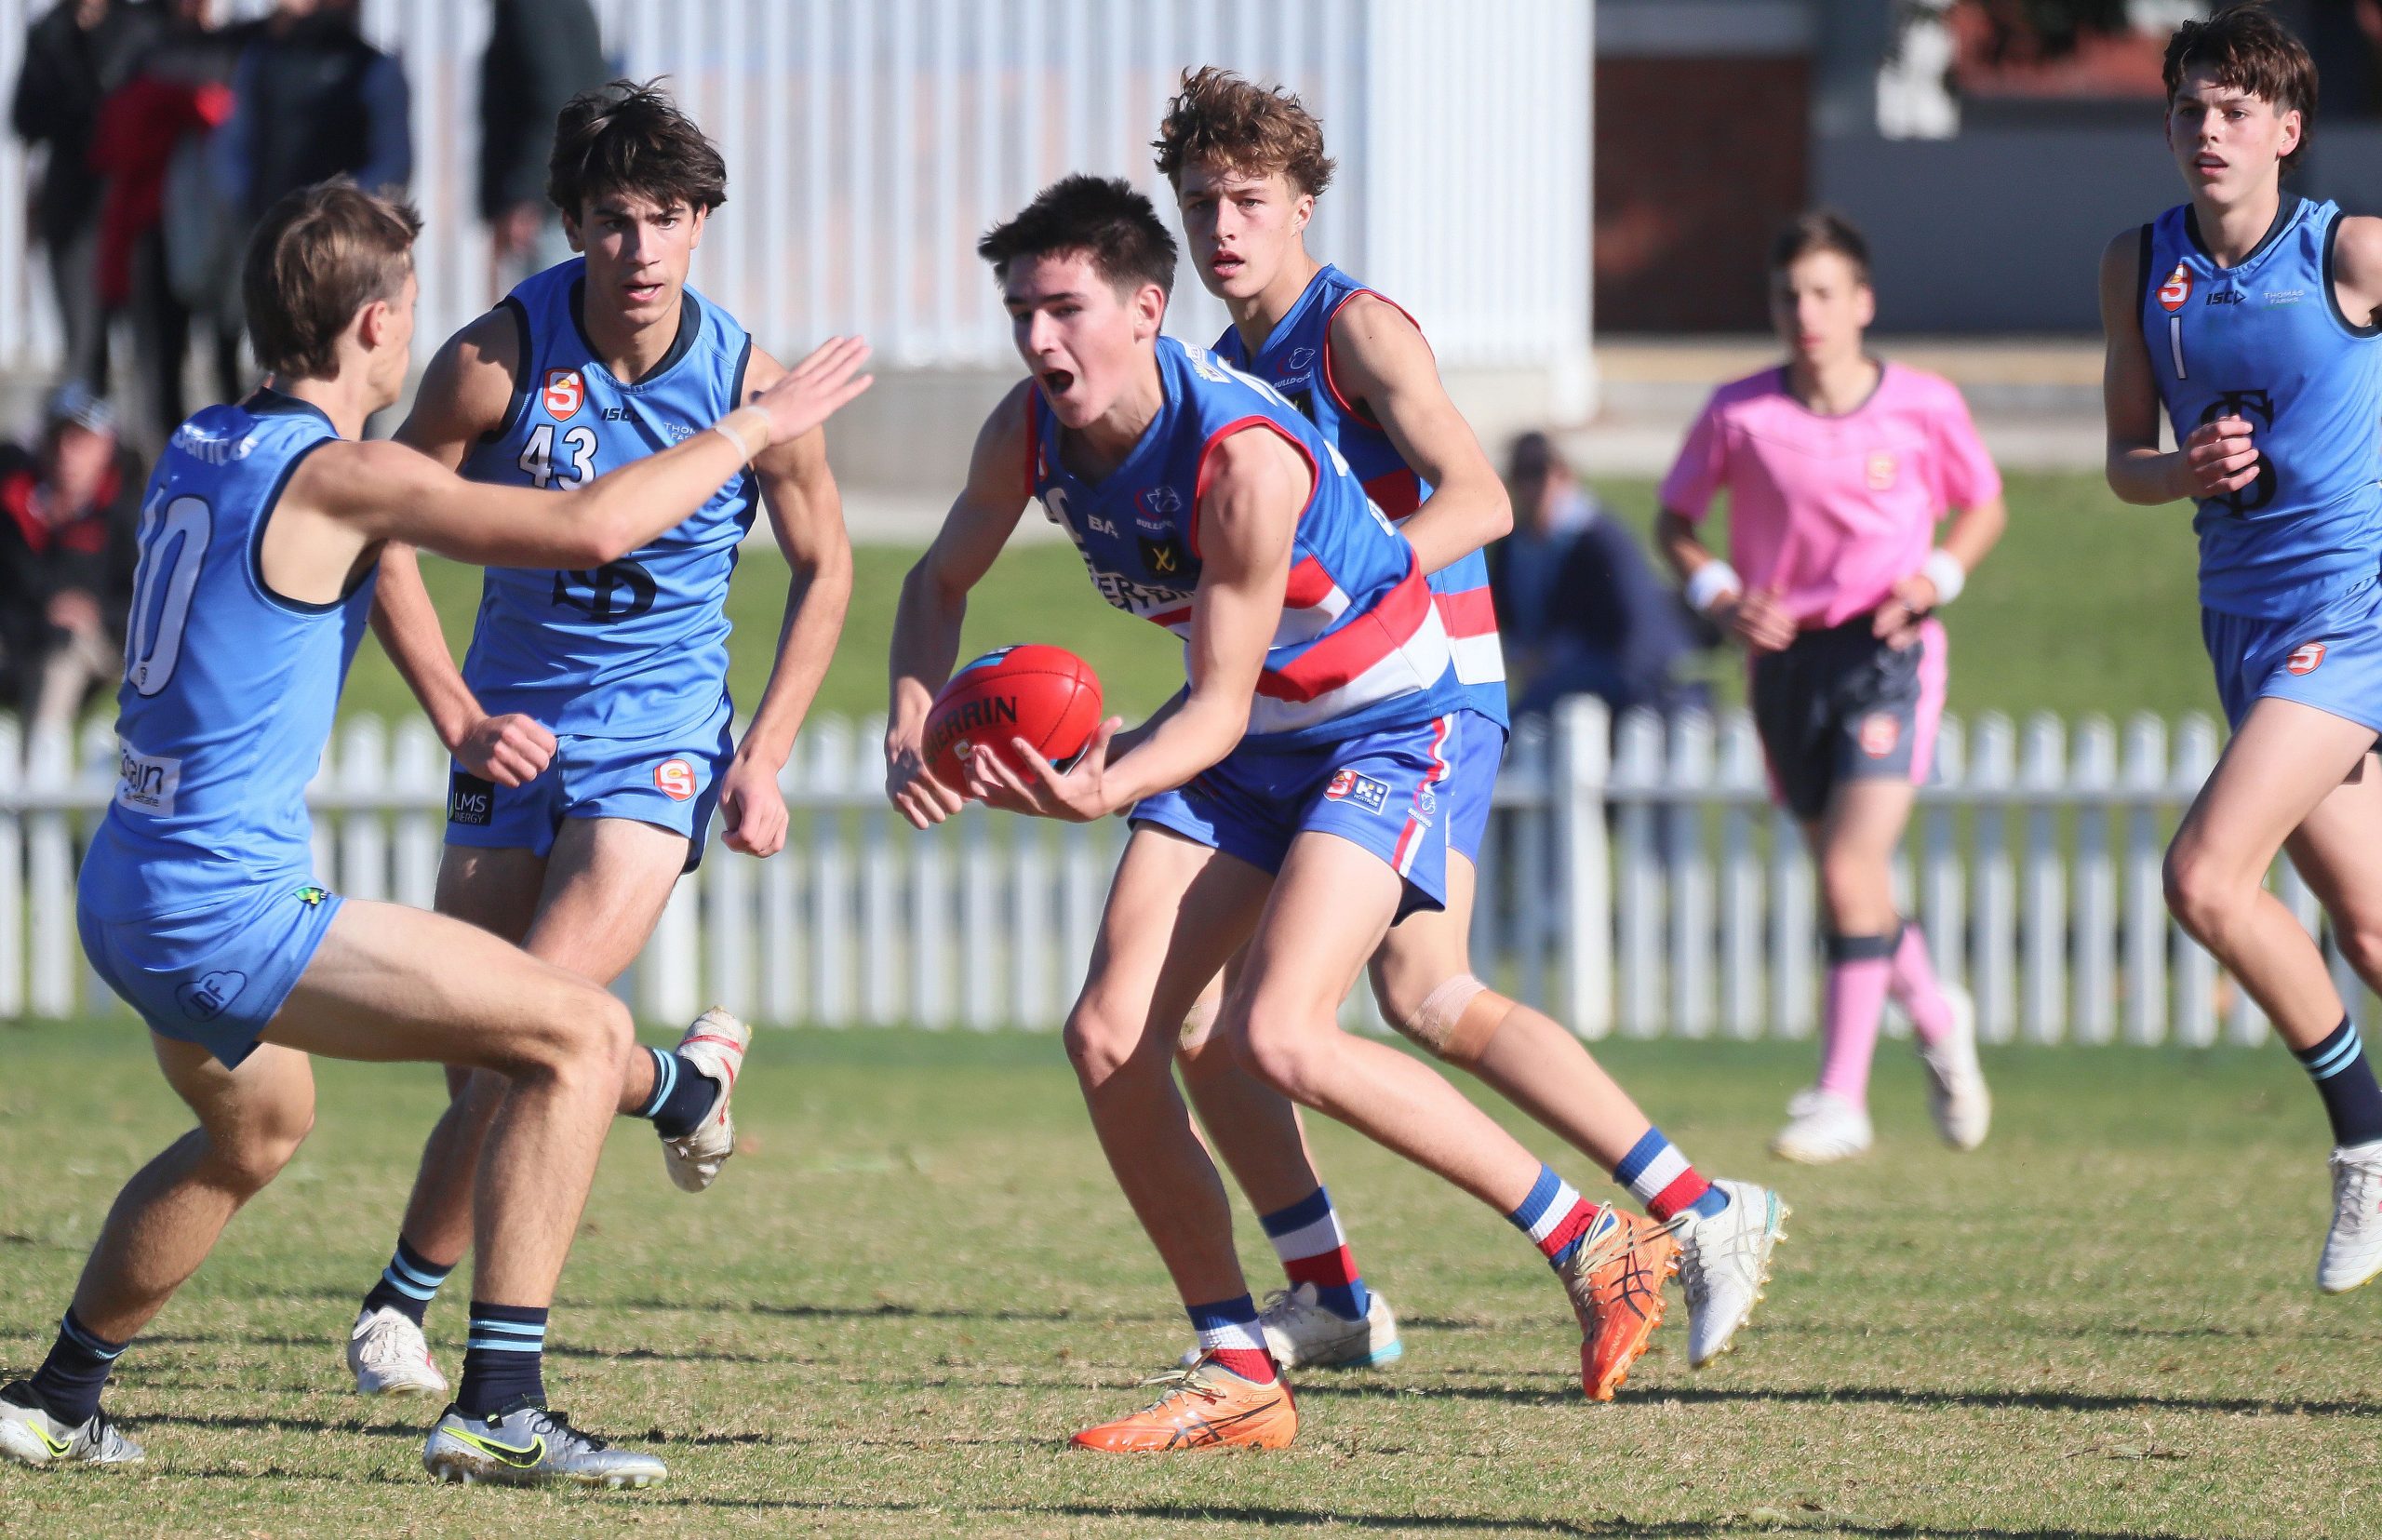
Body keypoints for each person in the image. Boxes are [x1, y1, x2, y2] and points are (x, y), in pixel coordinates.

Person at [884, 174, 1785, 1453]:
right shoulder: (1024, 431)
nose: (1040, 341)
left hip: (1387, 718)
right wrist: (910, 717)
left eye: (1065, 310)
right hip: (1252, 725)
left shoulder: (1242, 459)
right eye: (1021, 312)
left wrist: (1105, 780)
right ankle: (1242, 1363)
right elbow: (936, 578)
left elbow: (1210, 706)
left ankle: (1601, 1238)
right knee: (1107, 1033)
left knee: (1286, 1031)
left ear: (1148, 310)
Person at [0, 179, 872, 1482]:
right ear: (369, 325)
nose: (421, 335)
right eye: (406, 312)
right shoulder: (344, 476)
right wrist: (762, 418)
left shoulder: (198, 438)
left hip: (121, 880)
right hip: (227, 910)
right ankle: (499, 1404)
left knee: (259, 1125)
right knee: (570, 1030)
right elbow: (590, 524)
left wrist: (461, 713)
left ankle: (58, 1393)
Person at [1150, 67, 1781, 1401]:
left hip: (1427, 691)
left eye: (1249, 199)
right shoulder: (1218, 371)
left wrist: (1358, 585)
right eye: (1201, 201)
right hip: (1330, 710)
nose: (1223, 226)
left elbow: (1482, 496)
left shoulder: (1353, 329)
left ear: (1303, 204)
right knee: (1358, 1005)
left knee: (1339, 1009)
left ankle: (1653, 1217)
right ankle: (1680, 1208)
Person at [346, 78, 853, 1400]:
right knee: (483, 1035)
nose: (640, 249)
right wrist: (458, 711)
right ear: (571, 224)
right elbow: (380, 525)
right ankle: (680, 1086)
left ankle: (411, 1307)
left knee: (530, 1022)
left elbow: (829, 566)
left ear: (702, 226)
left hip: (661, 737)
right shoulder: (495, 359)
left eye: (668, 218)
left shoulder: (747, 378)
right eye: (615, 220)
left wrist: (769, 750)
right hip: (513, 727)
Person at [2099, 2, 2382, 1295]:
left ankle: (2365, 1142)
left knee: (2208, 878)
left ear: (2288, 129)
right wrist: (2186, 469)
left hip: (2351, 618)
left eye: (2233, 110)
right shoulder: (2136, 264)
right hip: (2247, 625)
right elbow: (2122, 463)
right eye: (2188, 109)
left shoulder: (2352, 252)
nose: (2207, 129)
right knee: (2370, 934)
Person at [1654, 211, 2002, 1166]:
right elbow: (1675, 519)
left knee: (1852, 871)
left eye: (1821, 293)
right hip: (1784, 661)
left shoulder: (1923, 404)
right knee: (1848, 878)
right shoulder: (1739, 412)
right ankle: (1935, 1011)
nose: (1803, 311)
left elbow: (1984, 500)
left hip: (1887, 654)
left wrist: (1939, 576)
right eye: (1787, 295)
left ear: (1861, 303)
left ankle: (1839, 1095)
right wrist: (1719, 590)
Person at [1492, 431, 1707, 720]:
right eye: (1524, 475)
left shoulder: (1600, 540)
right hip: (1555, 670)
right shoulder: (1510, 548)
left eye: (1544, 473)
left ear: (1566, 476)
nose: (1536, 487)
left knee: (1526, 715)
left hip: (1621, 669)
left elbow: (1634, 627)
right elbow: (1505, 620)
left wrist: (1555, 658)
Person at [11, 0, 166, 392]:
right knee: (83, 342)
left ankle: (142, 443)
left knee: (150, 346)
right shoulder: (50, 31)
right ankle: (85, 439)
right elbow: (23, 117)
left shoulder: (140, 28)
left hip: (133, 203)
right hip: (73, 204)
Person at [0, 383, 141, 747]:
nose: (66, 452)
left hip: (103, 650)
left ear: (105, 445)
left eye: (80, 439)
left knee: (65, 657)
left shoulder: (129, 510)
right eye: (58, 438)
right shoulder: (15, 502)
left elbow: (150, 599)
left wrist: (95, 614)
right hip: (22, 638)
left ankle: (43, 784)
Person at [216, 0, 410, 226]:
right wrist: (249, 207)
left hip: (344, 241)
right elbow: (232, 145)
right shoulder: (259, 62)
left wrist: (345, 218)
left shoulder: (375, 69)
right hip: (268, 231)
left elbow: (393, 163)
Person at [479, 0, 609, 293]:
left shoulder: (534, 7)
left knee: (547, 318)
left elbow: (555, 106)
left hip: (550, 206)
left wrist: (527, 196)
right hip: (561, 196)